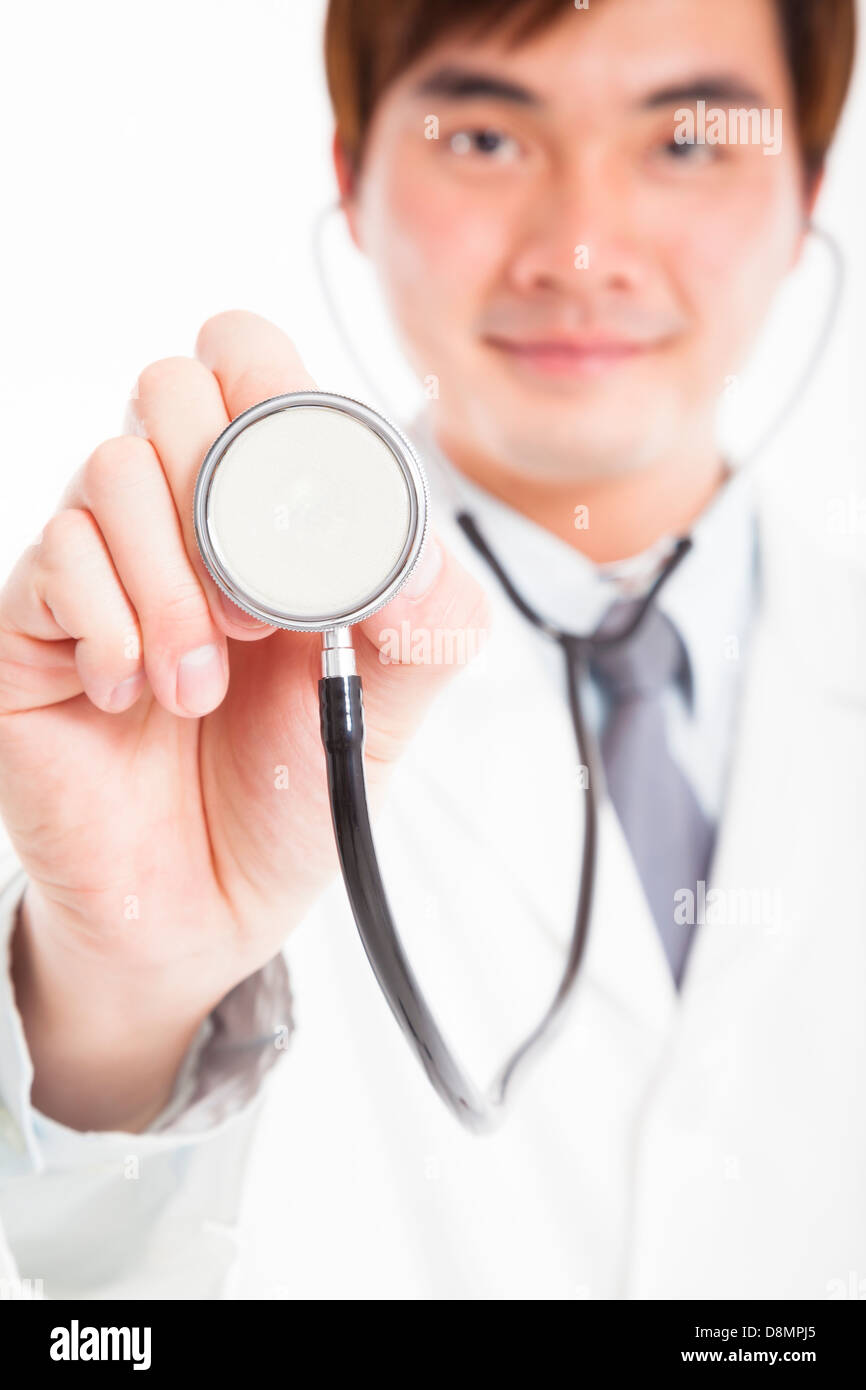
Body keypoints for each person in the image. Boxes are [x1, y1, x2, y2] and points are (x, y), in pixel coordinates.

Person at [0, 0, 861, 1300]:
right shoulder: (133, 667)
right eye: (483, 136)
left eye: (685, 142)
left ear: (806, 178)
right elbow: (93, 1299)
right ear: (349, 173)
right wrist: (125, 998)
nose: (579, 251)